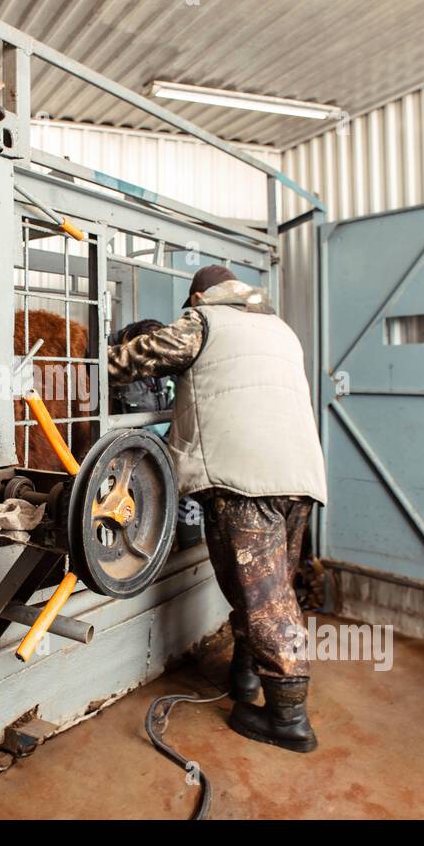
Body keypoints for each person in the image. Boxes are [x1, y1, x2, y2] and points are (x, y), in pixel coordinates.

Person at [107, 265, 327, 752]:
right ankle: (246, 679)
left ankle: (290, 720)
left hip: (243, 478)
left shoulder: (204, 321)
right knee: (272, 586)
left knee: (265, 601)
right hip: (300, 474)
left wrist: (85, 362)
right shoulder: (280, 329)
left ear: (201, 295)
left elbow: (139, 358)